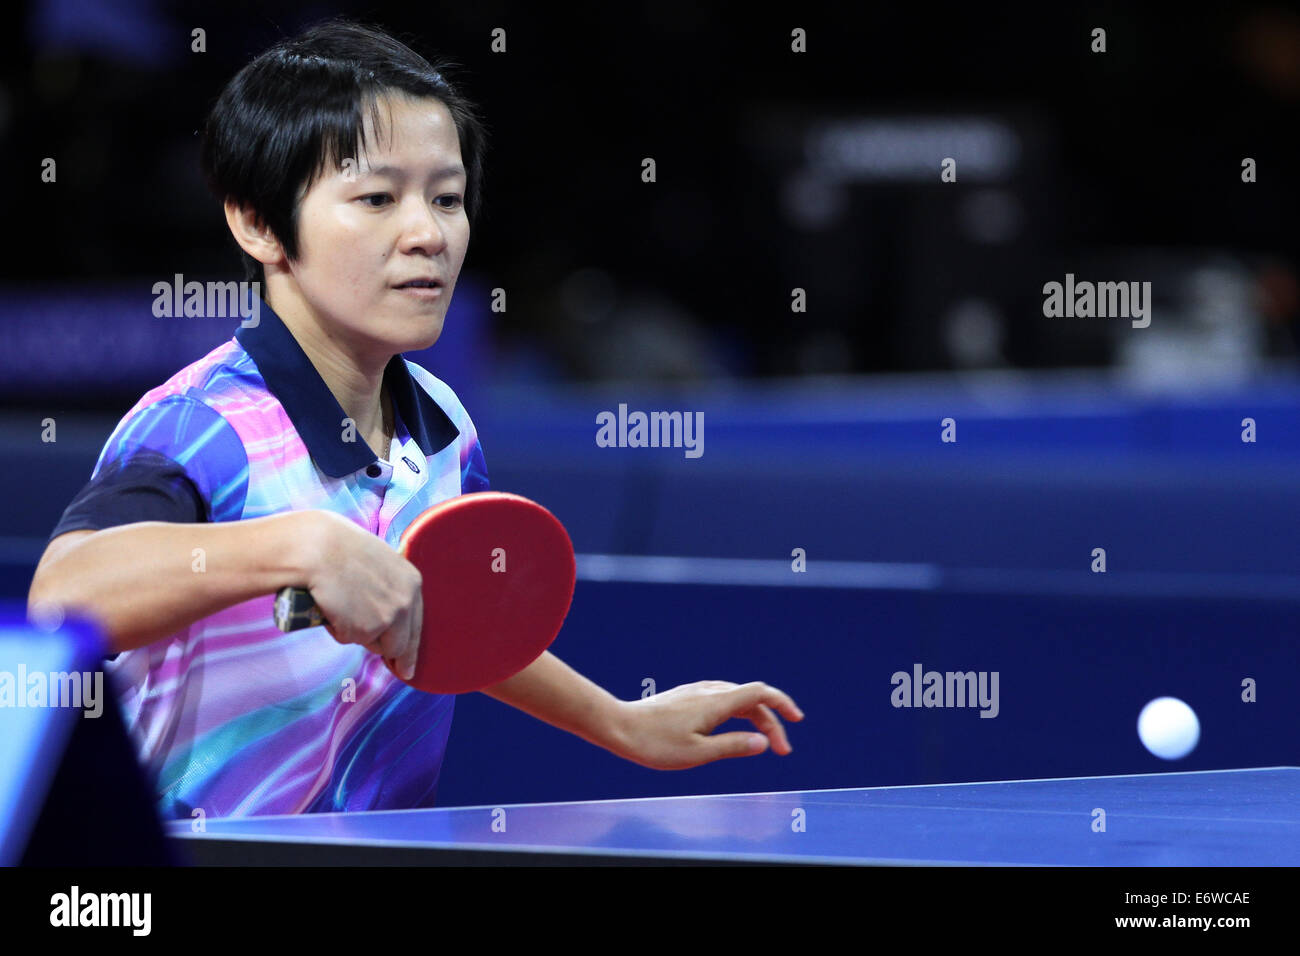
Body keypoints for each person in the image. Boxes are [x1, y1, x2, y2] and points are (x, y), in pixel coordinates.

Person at [26, 18, 801, 819]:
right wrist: (299, 546)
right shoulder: (202, 426)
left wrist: (622, 723)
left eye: (447, 198)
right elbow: (65, 593)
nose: (428, 233)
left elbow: (443, 623)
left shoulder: (443, 423)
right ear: (258, 222)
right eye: (376, 198)